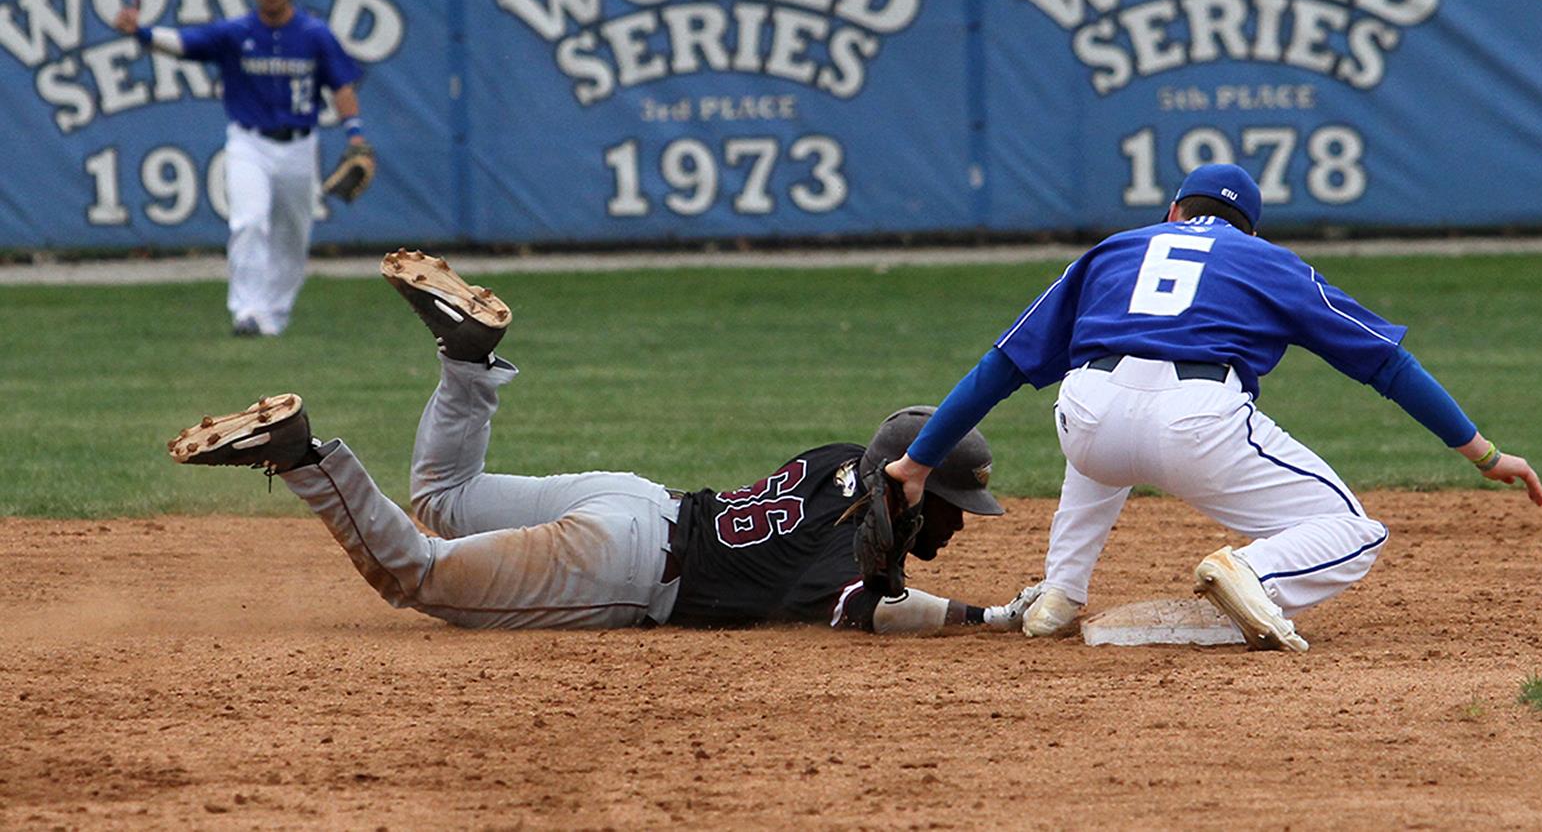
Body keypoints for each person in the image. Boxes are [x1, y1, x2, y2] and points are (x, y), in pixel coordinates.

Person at [167, 250, 1041, 634]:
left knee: (441, 501)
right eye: (950, 506)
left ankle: (466, 365)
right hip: (618, 565)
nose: (957, 525)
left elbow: (853, 545)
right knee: (416, 576)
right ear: (903, 479)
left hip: (633, 499)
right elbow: (876, 608)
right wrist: (990, 616)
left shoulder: (826, 464)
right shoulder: (841, 544)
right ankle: (300, 456)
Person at [885, 164, 1542, 651]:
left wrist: (917, 462)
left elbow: (1000, 365)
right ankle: (1248, 568)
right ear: (1249, 230)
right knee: (1353, 531)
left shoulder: (1112, 249)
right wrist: (1482, 453)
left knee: (1100, 431)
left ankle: (1060, 595)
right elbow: (1386, 364)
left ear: (1173, 212)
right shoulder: (1266, 261)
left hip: (1085, 412)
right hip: (1197, 421)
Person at [115, 0, 370, 337]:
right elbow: (184, 43)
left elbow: (342, 86)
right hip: (250, 143)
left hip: (300, 145)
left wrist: (355, 135)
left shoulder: (314, 34)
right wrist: (142, 33)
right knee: (249, 221)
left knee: (293, 236)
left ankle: (275, 315)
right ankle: (247, 311)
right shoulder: (236, 32)